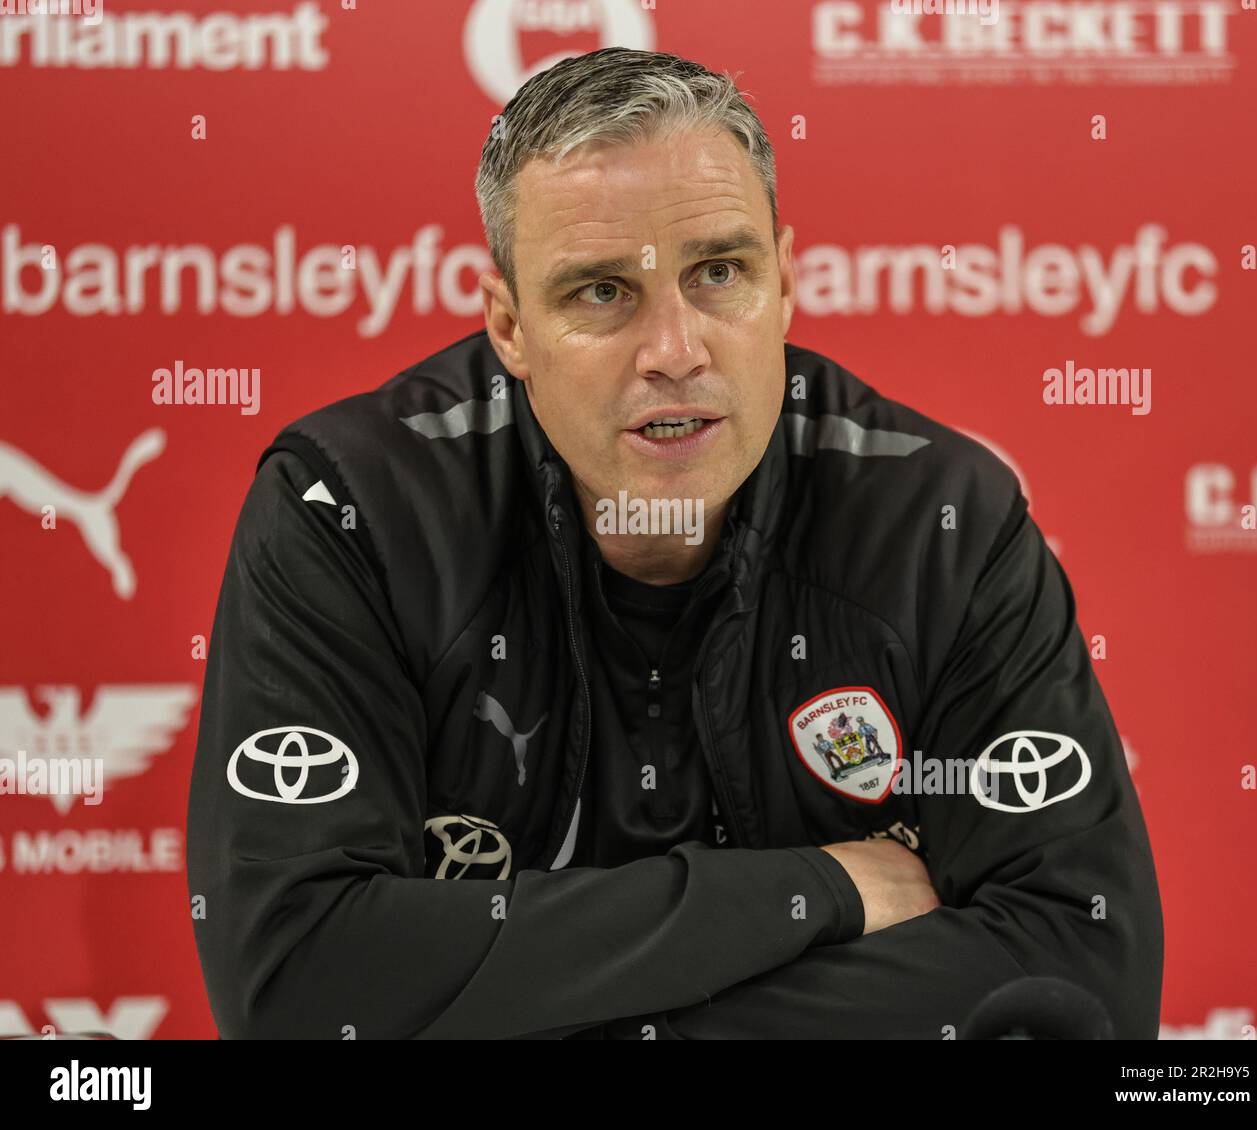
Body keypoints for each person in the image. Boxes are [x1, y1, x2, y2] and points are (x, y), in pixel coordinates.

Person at [186, 47, 1163, 1039]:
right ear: (508, 326)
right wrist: (814, 891)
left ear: (783, 284)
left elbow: (1080, 975)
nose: (676, 351)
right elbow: (298, 984)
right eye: (601, 292)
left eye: (717, 273)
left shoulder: (937, 520)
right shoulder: (354, 507)